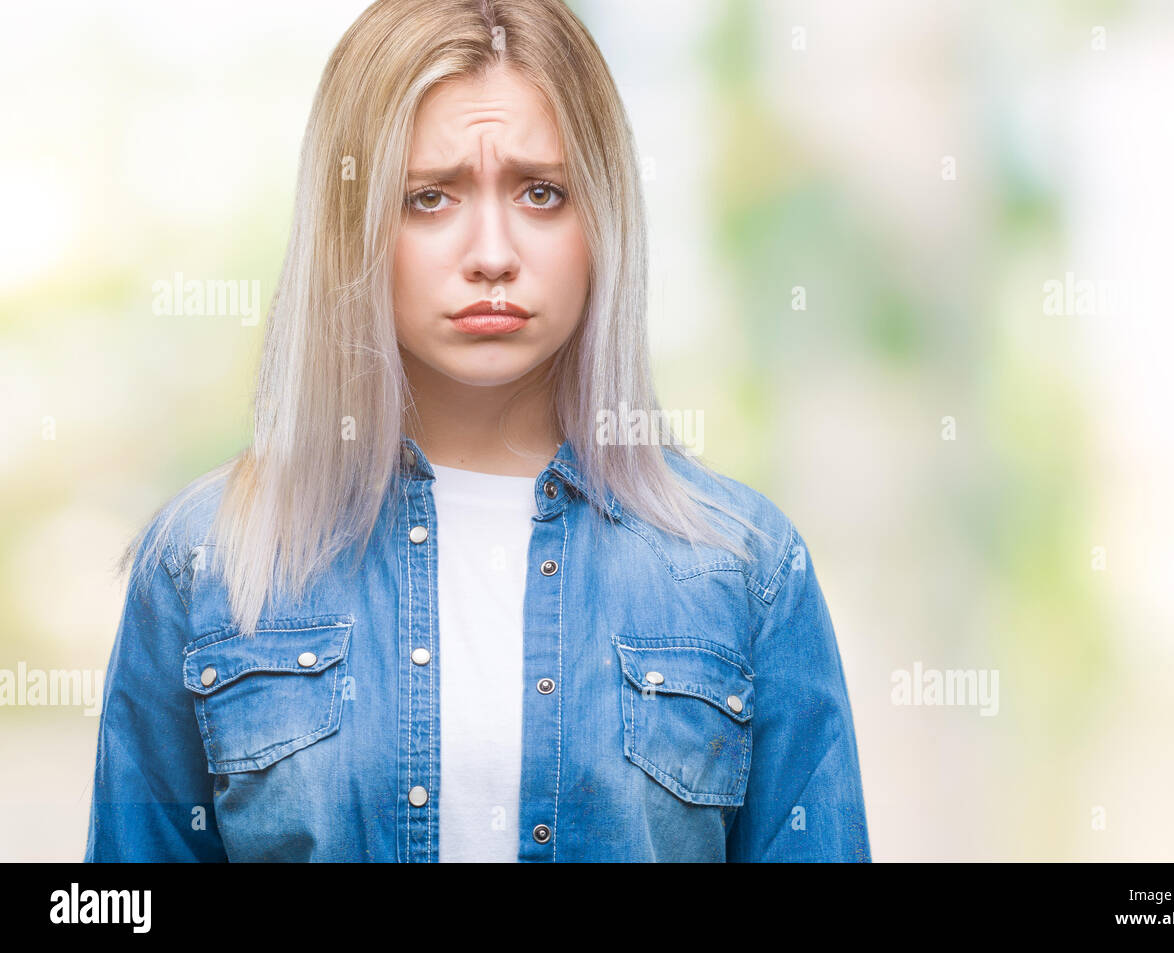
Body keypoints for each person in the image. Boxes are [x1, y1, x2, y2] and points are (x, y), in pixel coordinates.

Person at [83, 0, 870, 862]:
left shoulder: (747, 572)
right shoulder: (205, 565)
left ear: (600, 219)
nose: (492, 251)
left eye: (542, 192)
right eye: (429, 196)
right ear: (353, 225)